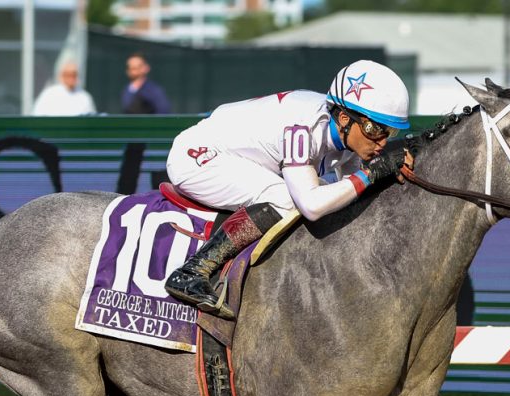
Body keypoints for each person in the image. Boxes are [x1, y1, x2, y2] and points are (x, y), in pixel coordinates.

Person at [162, 59, 413, 319]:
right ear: (343, 118)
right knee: (287, 199)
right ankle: (192, 271)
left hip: (238, 156)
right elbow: (311, 206)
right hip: (197, 158)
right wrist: (371, 173)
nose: (382, 141)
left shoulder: (346, 136)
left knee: (330, 192)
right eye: (375, 130)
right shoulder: (302, 127)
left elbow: (350, 194)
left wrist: (375, 176)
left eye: (390, 132)